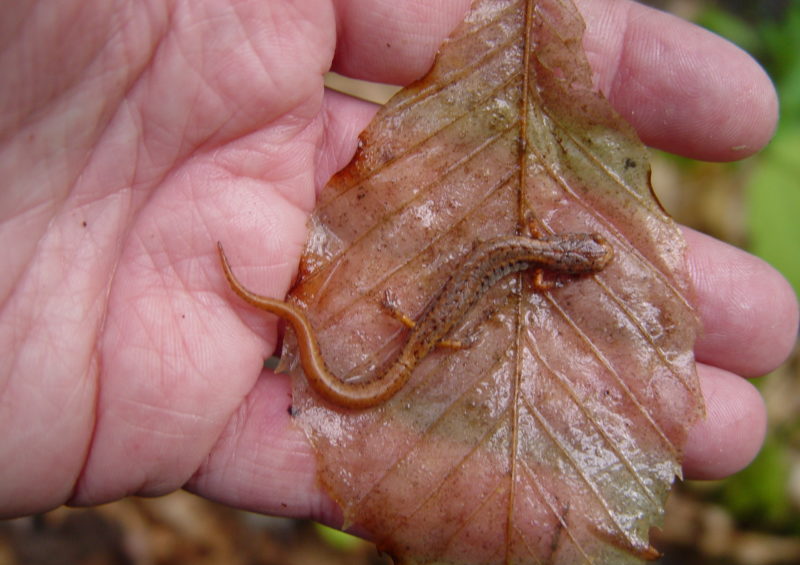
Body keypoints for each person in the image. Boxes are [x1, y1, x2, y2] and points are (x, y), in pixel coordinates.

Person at [0, 0, 796, 528]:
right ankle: (352, 329)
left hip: (432, 329)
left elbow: (517, 258)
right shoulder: (540, 268)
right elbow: (519, 268)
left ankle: (368, 334)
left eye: (578, 260)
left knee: (429, 330)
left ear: (566, 261)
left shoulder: (537, 256)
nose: (575, 259)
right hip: (431, 327)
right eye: (580, 259)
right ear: (570, 265)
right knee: (431, 327)